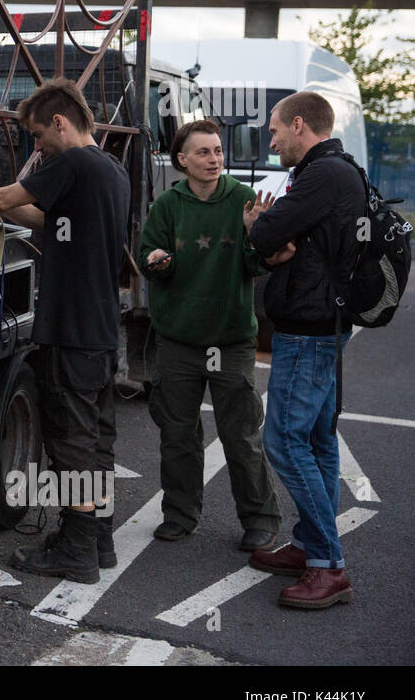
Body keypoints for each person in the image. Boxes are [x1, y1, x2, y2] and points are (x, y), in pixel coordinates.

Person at [0, 77, 129, 584]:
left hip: (71, 327)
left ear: (61, 124)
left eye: (40, 138)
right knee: (95, 439)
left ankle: (75, 552)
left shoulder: (71, 163)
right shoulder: (109, 170)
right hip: (100, 328)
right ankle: (98, 539)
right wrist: (7, 201)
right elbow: (49, 219)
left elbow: (7, 200)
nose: (38, 149)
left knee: (71, 441)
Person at [243, 91, 367, 610]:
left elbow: (268, 230)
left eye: (274, 131)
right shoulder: (339, 171)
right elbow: (292, 248)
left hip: (309, 331)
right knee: (317, 441)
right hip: (321, 324)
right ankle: (311, 546)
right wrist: (275, 247)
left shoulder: (324, 173)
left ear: (299, 125)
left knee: (284, 442)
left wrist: (257, 228)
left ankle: (328, 565)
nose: (271, 142)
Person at [137, 119, 284, 552]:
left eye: (218, 151)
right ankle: (180, 515)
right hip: (179, 341)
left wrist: (256, 231)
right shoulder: (168, 204)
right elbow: (146, 257)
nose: (214, 159)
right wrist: (157, 260)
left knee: (241, 434)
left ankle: (260, 517)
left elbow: (260, 266)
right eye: (203, 153)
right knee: (177, 435)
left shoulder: (243, 198)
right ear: (182, 160)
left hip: (231, 340)